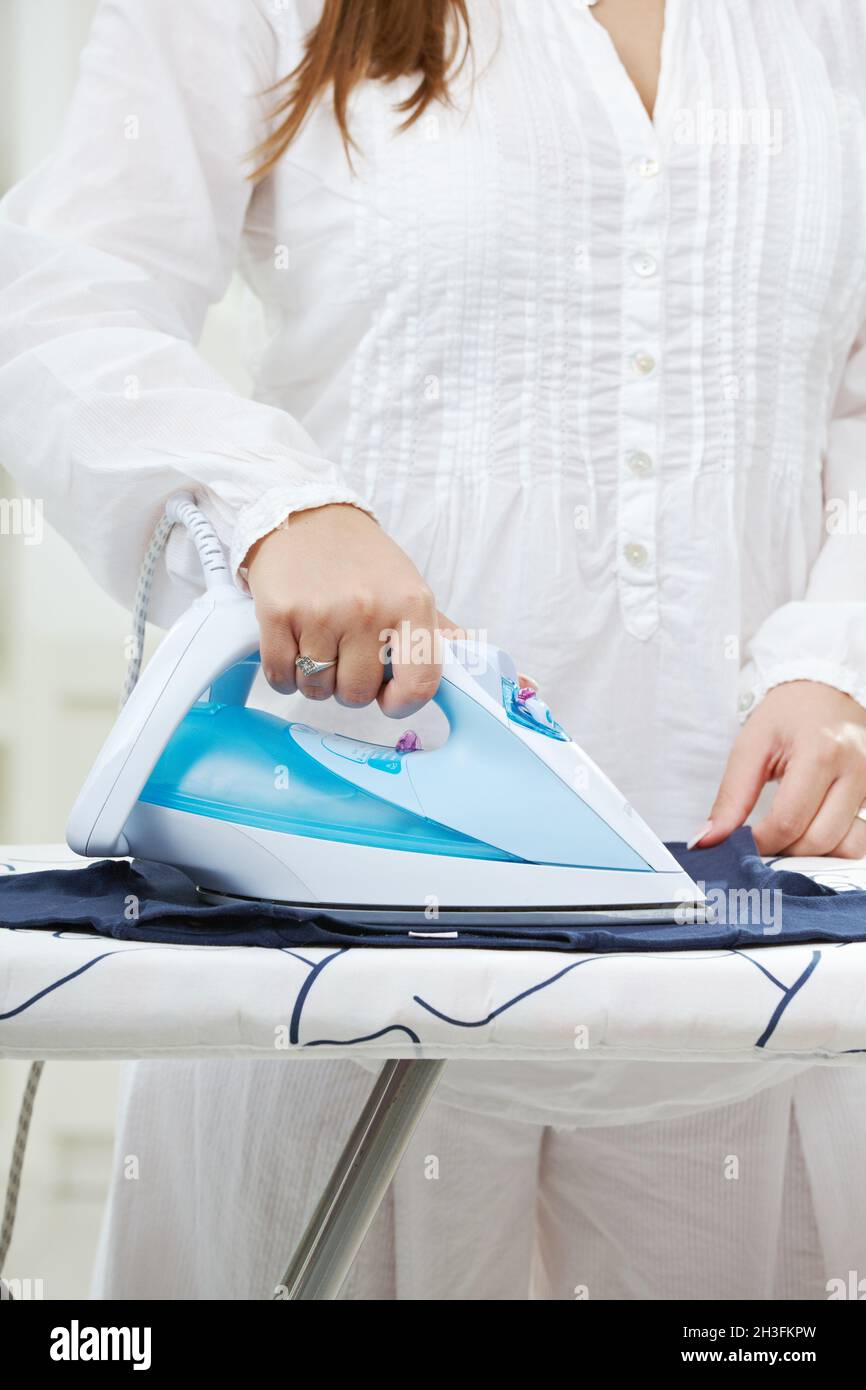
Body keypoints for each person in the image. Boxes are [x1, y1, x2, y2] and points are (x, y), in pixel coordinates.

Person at [2, 0, 866, 1299]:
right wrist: (274, 506)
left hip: (750, 986)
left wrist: (837, 650)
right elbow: (63, 296)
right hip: (330, 973)